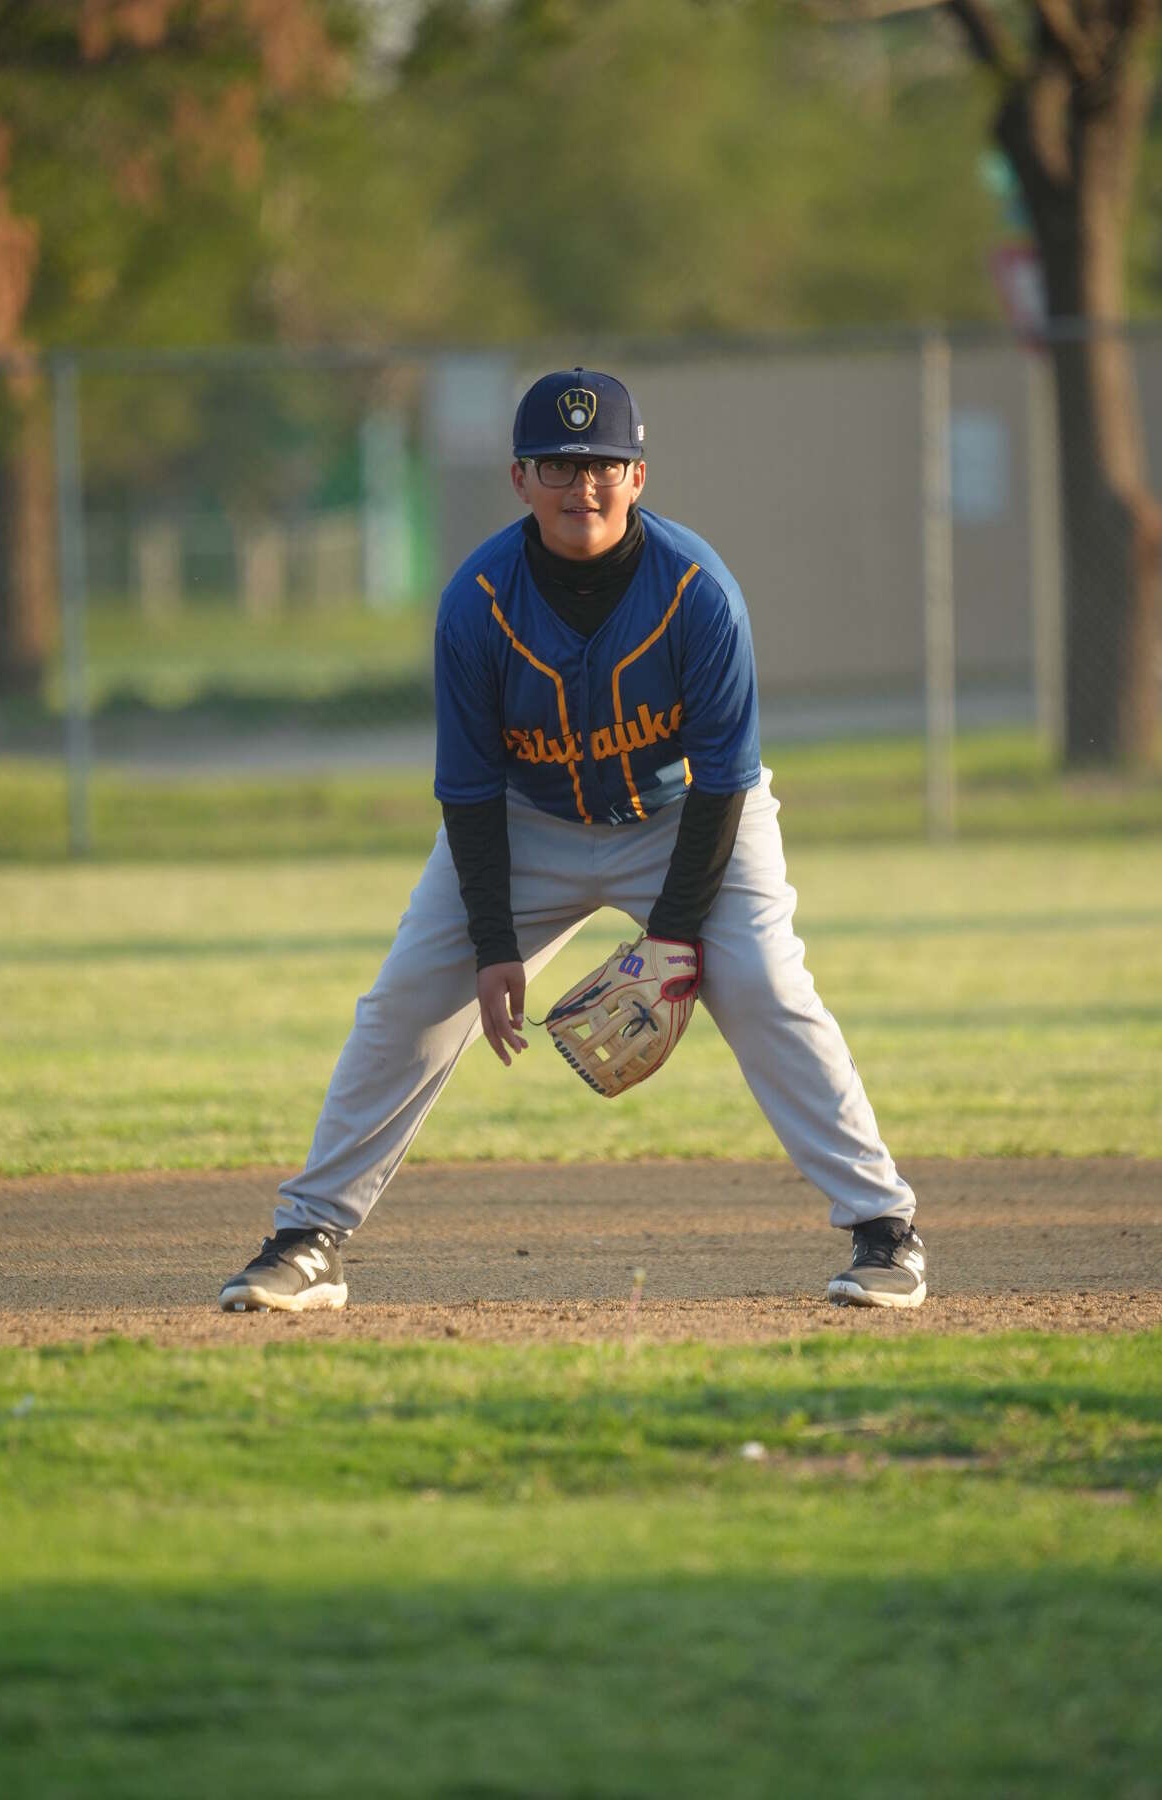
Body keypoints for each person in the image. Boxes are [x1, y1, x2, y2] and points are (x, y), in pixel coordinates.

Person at [219, 367, 927, 1315]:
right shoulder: (477, 601)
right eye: (558, 464)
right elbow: (467, 793)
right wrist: (493, 945)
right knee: (406, 1004)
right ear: (520, 479)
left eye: (603, 464)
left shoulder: (698, 593)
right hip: (526, 822)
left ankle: (887, 1231)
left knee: (764, 982)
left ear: (639, 476)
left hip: (688, 816)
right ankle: (309, 1239)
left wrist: (675, 937)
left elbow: (725, 779)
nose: (581, 484)